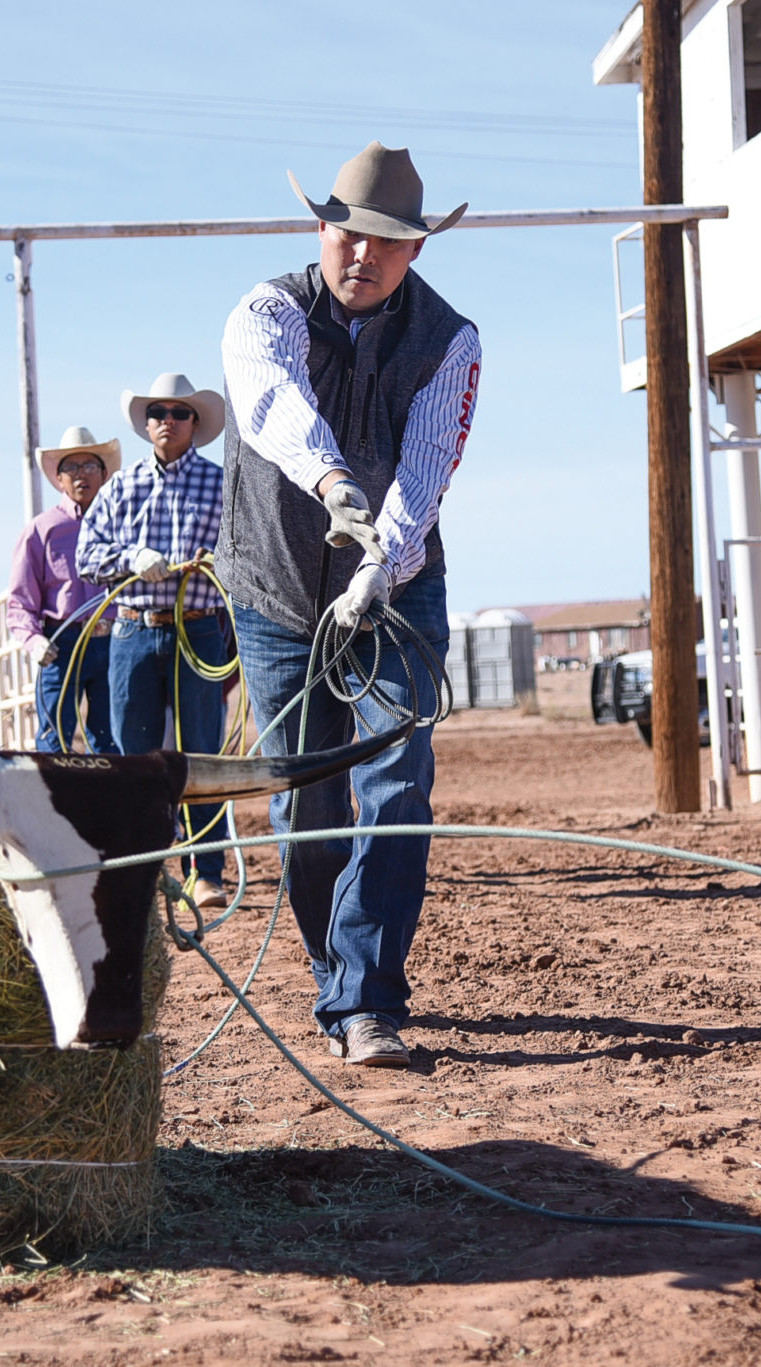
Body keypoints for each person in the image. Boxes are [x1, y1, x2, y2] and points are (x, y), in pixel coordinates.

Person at [217, 142, 479, 1067]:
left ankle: (364, 999)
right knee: (305, 799)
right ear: (320, 228)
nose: (362, 253)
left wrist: (383, 561)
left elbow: (427, 468)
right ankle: (340, 970)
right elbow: (271, 405)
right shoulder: (266, 312)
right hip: (276, 588)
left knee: (397, 779)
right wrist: (331, 479)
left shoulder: (451, 341)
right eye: (348, 233)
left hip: (396, 588)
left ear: (415, 252)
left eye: (387, 240)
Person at [76, 374, 232, 907]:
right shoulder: (119, 488)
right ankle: (140, 868)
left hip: (198, 629)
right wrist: (131, 558)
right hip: (134, 632)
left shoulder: (221, 483)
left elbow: (244, 557)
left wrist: (212, 568)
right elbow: (87, 557)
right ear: (146, 425)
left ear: (195, 424)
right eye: (159, 411)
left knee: (201, 751)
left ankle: (205, 869)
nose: (168, 419)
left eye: (179, 412)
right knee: (134, 755)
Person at [4, 426, 119, 754]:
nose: (81, 475)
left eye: (89, 467)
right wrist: (33, 640)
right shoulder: (42, 530)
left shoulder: (121, 524)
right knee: (54, 740)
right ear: (59, 478)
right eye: (71, 468)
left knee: (112, 741)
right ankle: (51, 805)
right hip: (61, 644)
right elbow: (20, 600)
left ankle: (108, 806)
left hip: (113, 640)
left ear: (104, 473)